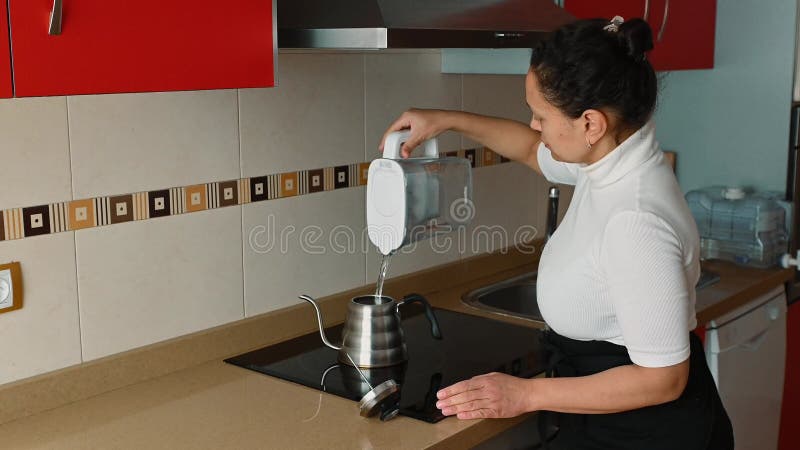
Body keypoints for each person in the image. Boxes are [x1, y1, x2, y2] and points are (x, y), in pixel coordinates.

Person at [379, 16, 734, 450]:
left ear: (591, 123)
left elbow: (663, 379)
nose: (533, 125)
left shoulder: (635, 221)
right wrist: (447, 120)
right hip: (611, 417)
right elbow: (531, 150)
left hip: (648, 431)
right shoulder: (613, 158)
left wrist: (523, 393)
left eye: (541, 115)